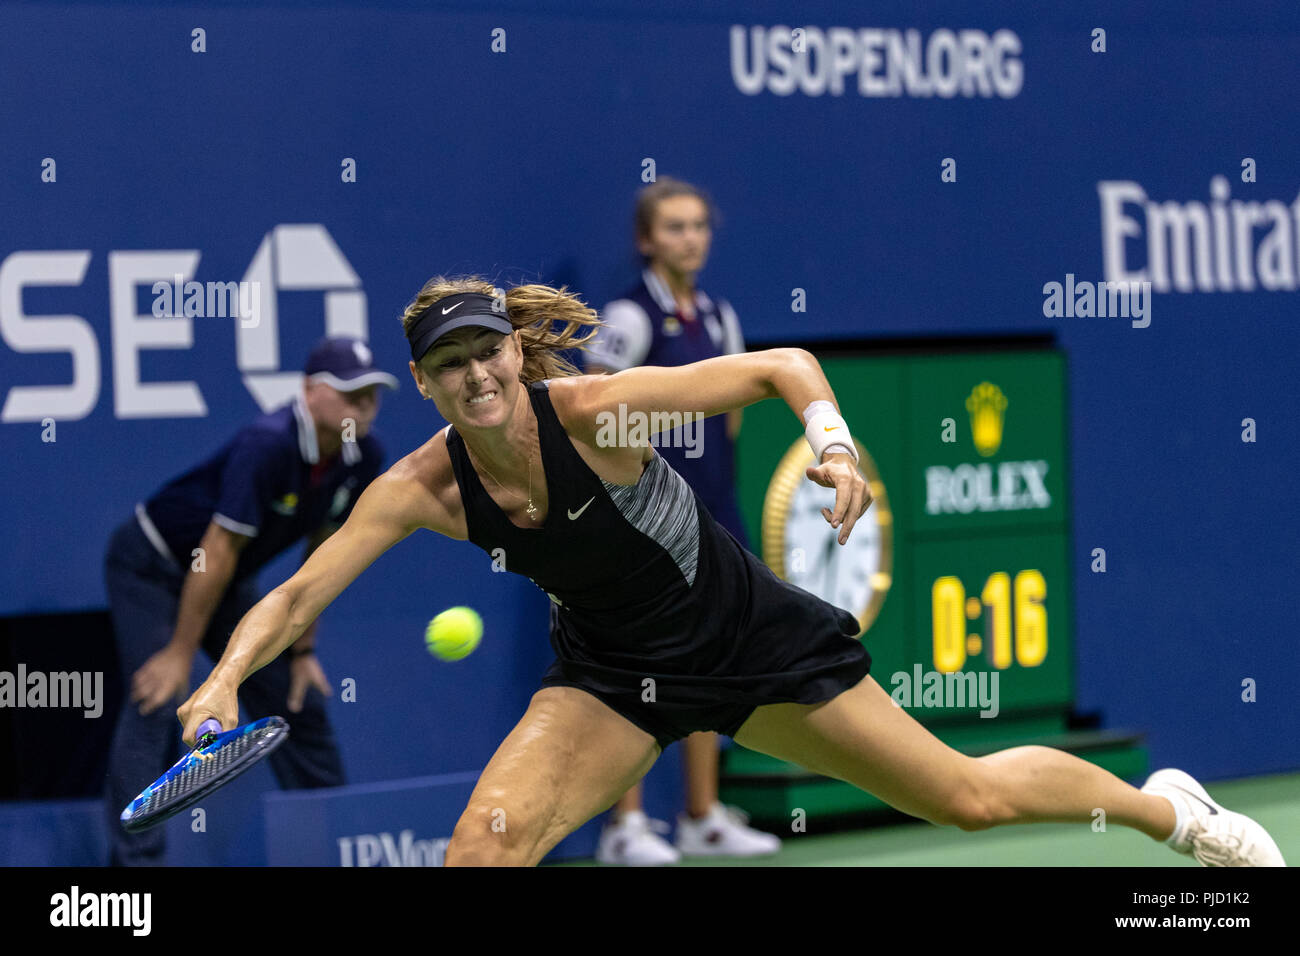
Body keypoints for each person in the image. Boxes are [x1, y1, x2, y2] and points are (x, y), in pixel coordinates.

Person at [177, 278, 1286, 869]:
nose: (474, 378)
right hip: (611, 675)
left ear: (513, 353)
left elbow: (775, 367)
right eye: (447, 368)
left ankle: (1165, 816)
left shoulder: (597, 414)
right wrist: (227, 675)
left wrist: (836, 443)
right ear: (421, 384)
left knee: (968, 796)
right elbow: (293, 594)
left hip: (749, 642)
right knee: (482, 847)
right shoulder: (421, 488)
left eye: (486, 355)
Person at [104, 336, 396, 865]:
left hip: (222, 576)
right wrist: (178, 651)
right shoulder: (268, 444)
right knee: (156, 697)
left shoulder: (363, 456)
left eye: (371, 394)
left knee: (296, 700)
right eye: (350, 393)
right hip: (153, 565)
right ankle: (134, 870)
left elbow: (325, 552)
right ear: (309, 393)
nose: (364, 405)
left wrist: (303, 654)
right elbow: (215, 549)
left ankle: (337, 847)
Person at [585, 177, 777, 863]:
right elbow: (591, 411)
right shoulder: (628, 319)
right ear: (646, 239)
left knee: (711, 660)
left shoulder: (720, 317)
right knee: (635, 661)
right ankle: (625, 826)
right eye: (673, 227)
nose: (689, 238)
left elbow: (731, 416)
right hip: (638, 518)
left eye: (698, 226)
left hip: (712, 513)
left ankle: (701, 815)